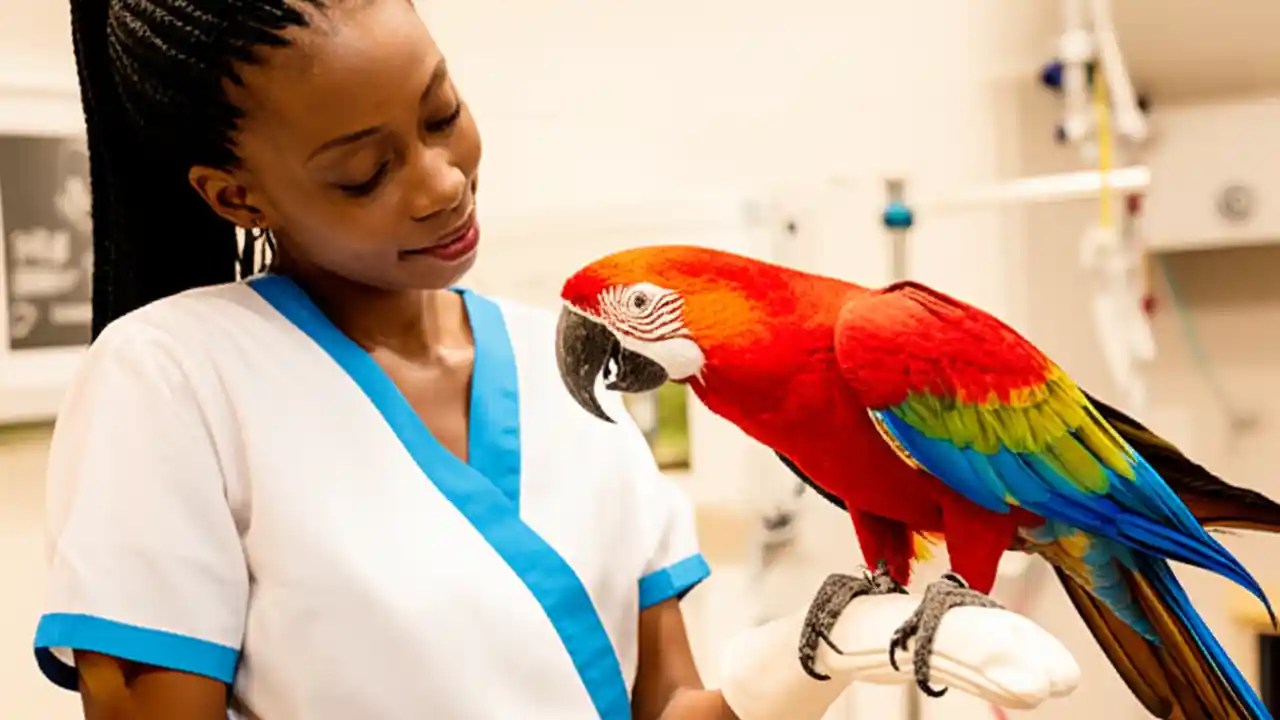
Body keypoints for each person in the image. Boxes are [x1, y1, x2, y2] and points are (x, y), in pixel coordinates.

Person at [33, 1, 1079, 718]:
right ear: (233, 194)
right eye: (364, 172)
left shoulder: (564, 364)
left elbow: (670, 701)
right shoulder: (171, 379)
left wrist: (796, 673)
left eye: (442, 112)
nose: (441, 182)